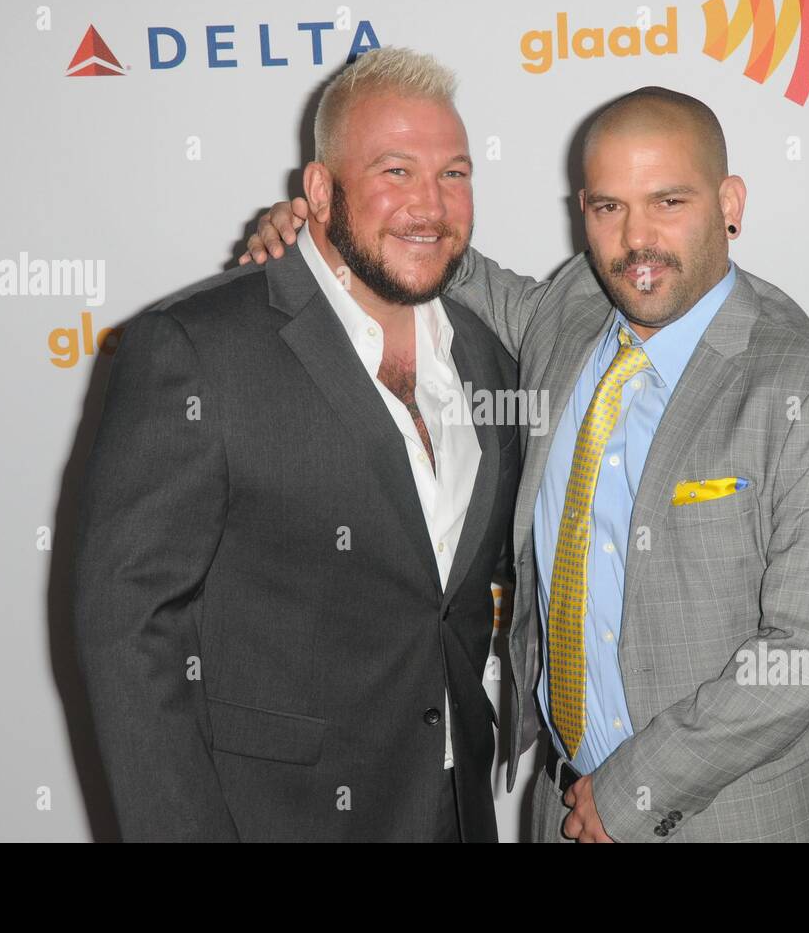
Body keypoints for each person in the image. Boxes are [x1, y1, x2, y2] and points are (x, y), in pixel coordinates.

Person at [244, 84, 809, 843]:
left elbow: (808, 653)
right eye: (609, 207)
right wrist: (329, 227)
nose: (636, 240)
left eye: (668, 202)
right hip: (563, 808)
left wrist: (635, 790)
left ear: (729, 202)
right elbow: (442, 261)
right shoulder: (574, 305)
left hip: (744, 819)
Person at [73, 47, 519, 842]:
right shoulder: (197, 349)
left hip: (455, 813)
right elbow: (125, 626)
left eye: (454, 173)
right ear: (318, 191)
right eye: (395, 171)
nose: (431, 203)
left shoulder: (485, 355)